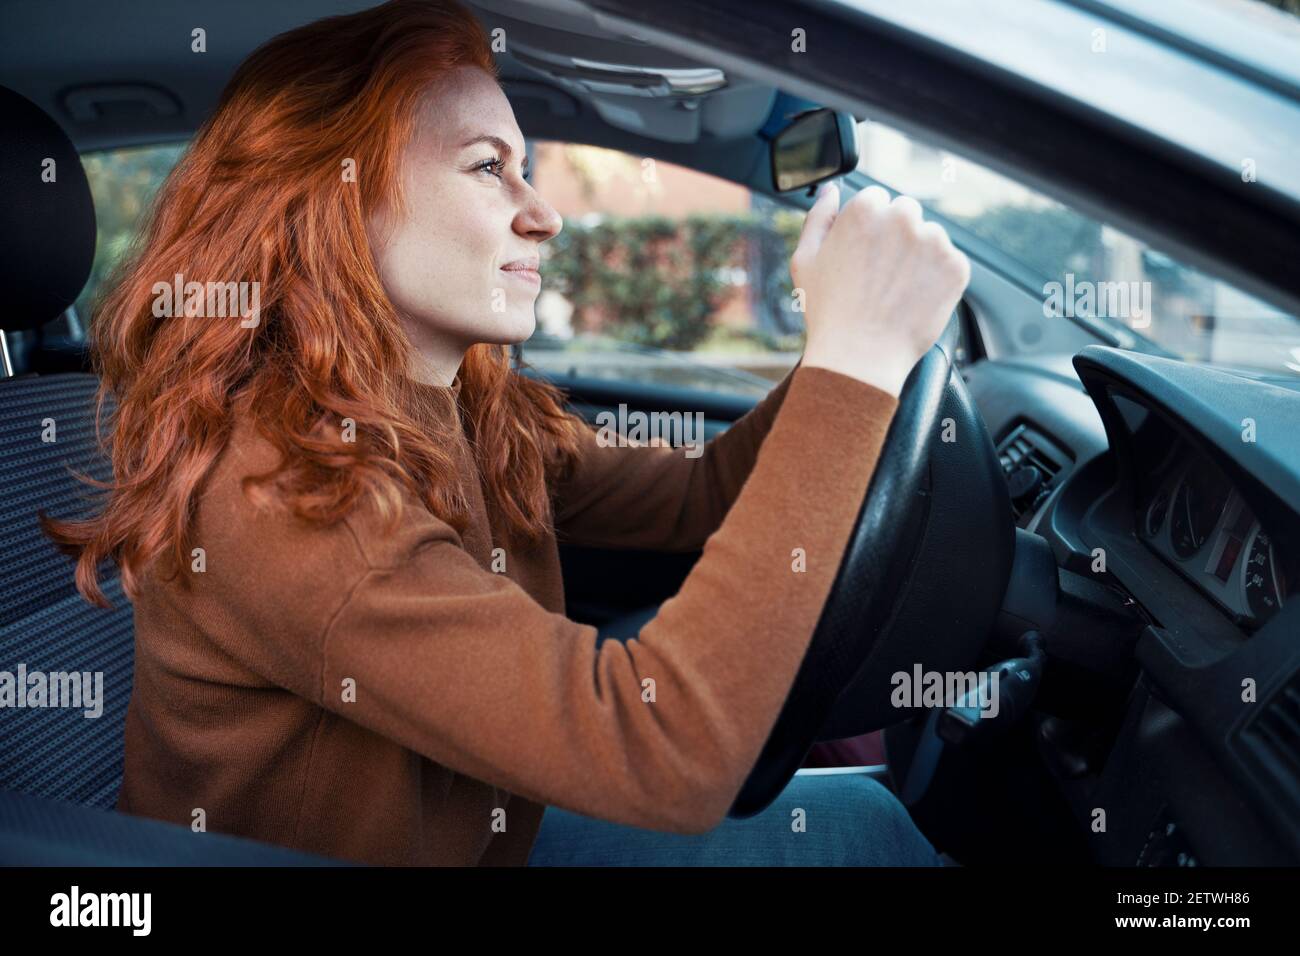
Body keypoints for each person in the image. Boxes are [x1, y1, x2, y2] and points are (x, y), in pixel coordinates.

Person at [42, 0, 969, 866]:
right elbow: (662, 750)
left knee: (865, 826)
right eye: (490, 167)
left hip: (491, 832)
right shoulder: (286, 491)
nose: (546, 212)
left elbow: (703, 493)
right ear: (336, 199)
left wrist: (850, 354)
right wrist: (854, 362)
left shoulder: (469, 409)